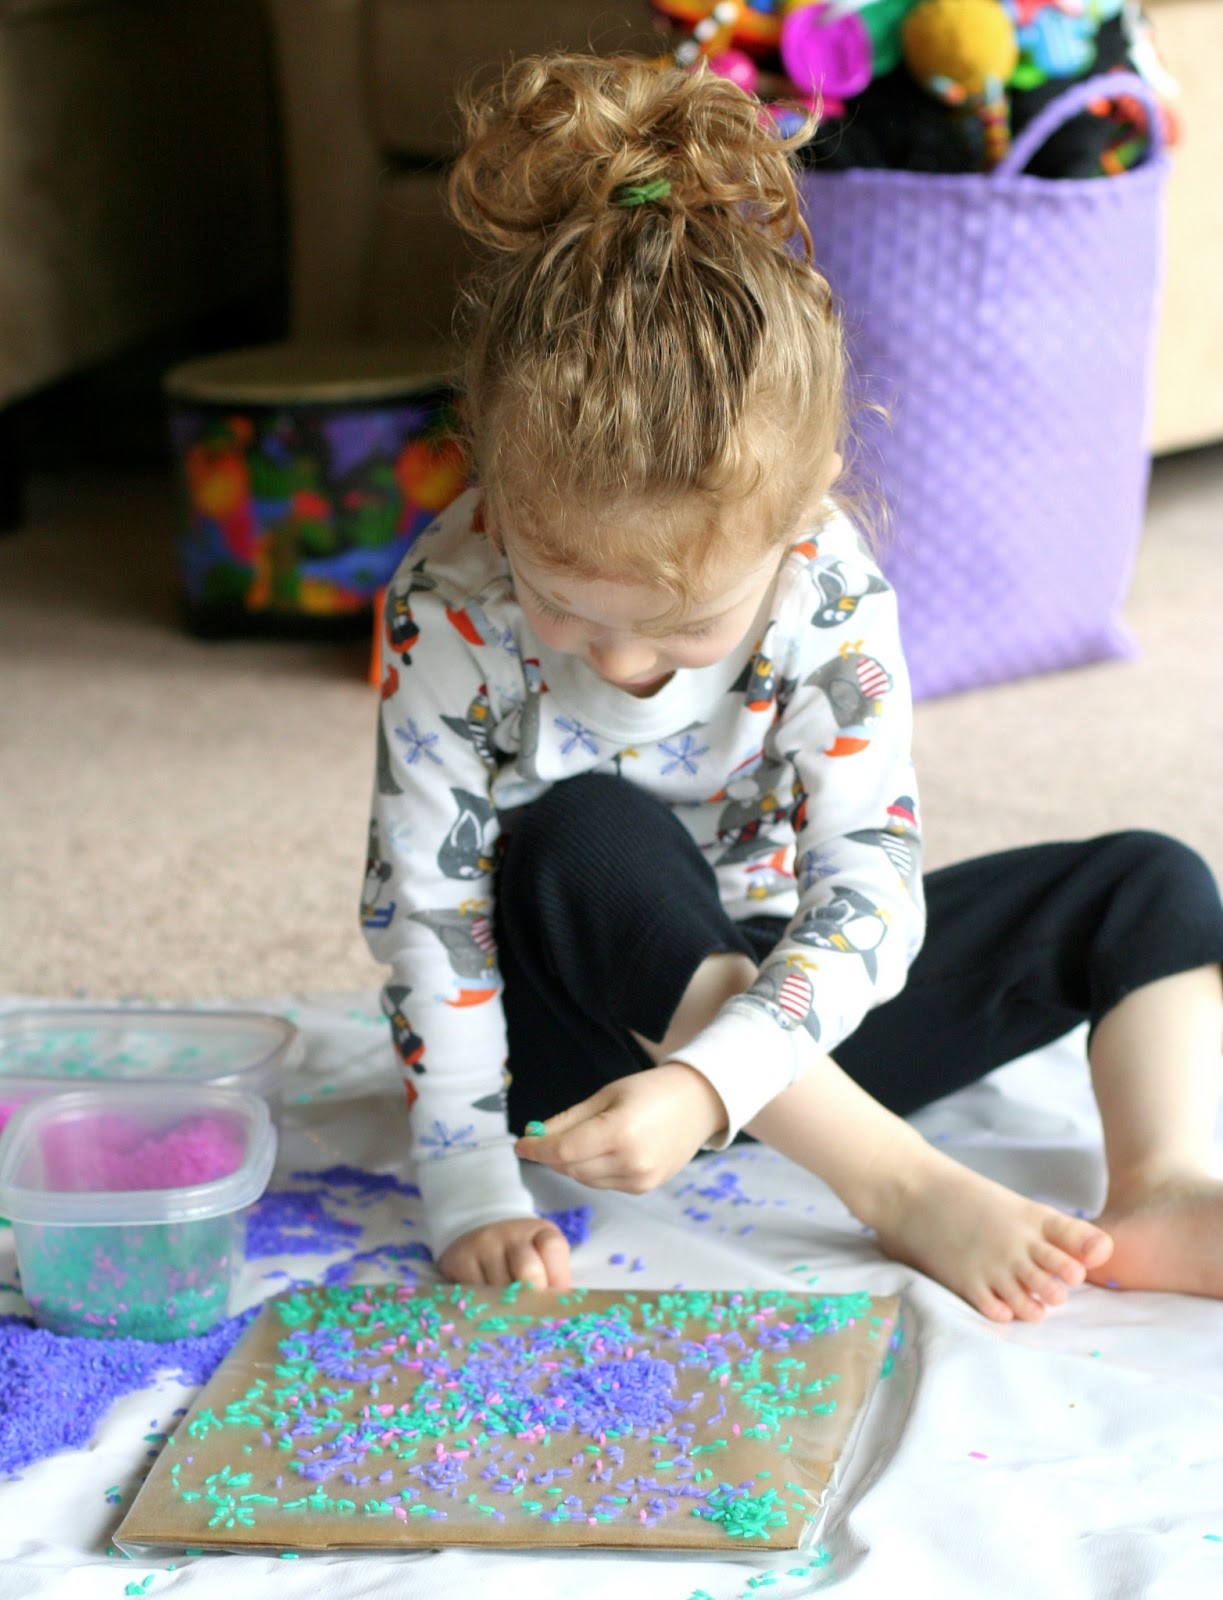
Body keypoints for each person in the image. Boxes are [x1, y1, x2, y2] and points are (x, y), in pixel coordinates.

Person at [361, 51, 1223, 1324]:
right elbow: (431, 912)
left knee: (1146, 882)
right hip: (583, 1052)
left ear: (809, 496)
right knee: (583, 831)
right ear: (487, 483)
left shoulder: (830, 584)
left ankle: (1163, 1182)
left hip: (793, 1027)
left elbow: (867, 890)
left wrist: (717, 1081)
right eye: (563, 606)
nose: (620, 664)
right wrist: (470, 1178)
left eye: (686, 625)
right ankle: (898, 1181)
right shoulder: (445, 601)